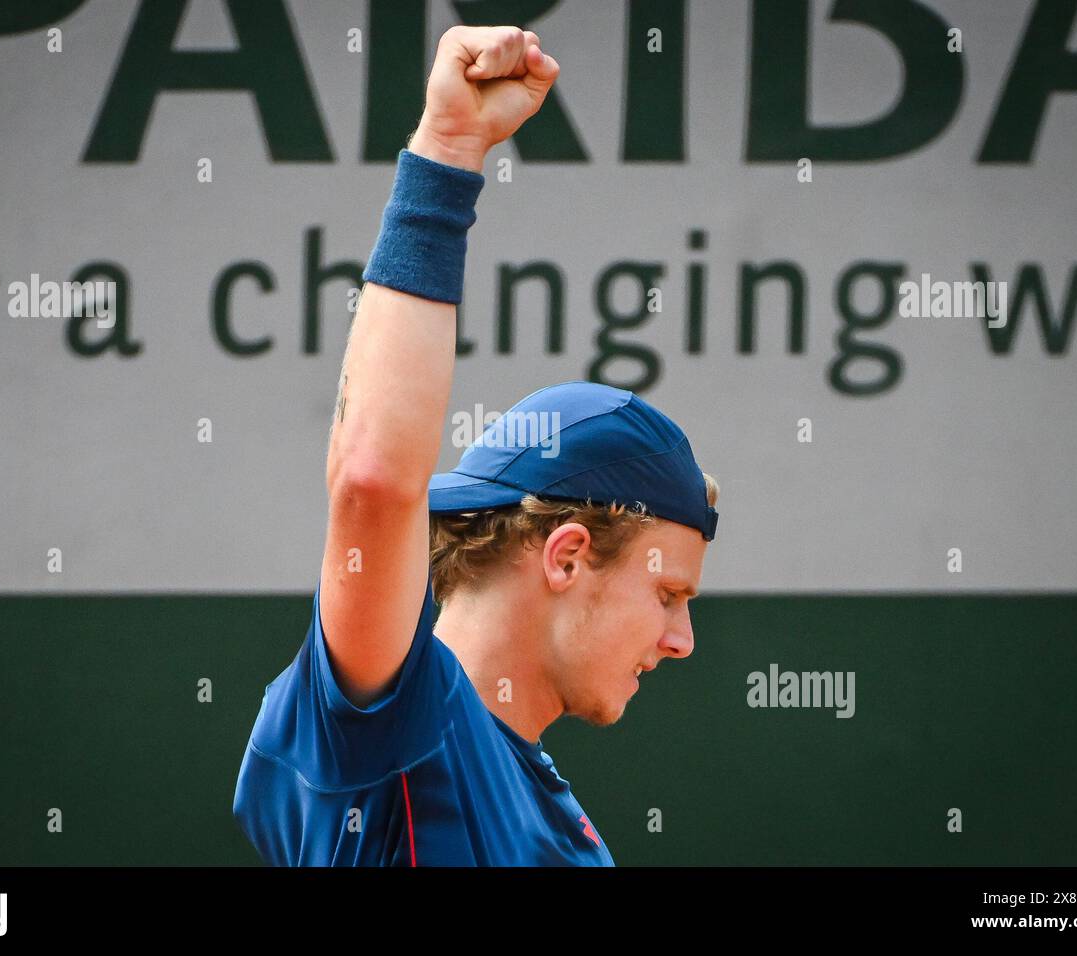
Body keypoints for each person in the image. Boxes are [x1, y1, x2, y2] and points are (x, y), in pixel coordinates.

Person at [233, 25, 718, 866]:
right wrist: (449, 151)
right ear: (566, 555)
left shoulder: (562, 822)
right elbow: (376, 481)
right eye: (668, 592)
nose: (682, 640)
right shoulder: (397, 727)